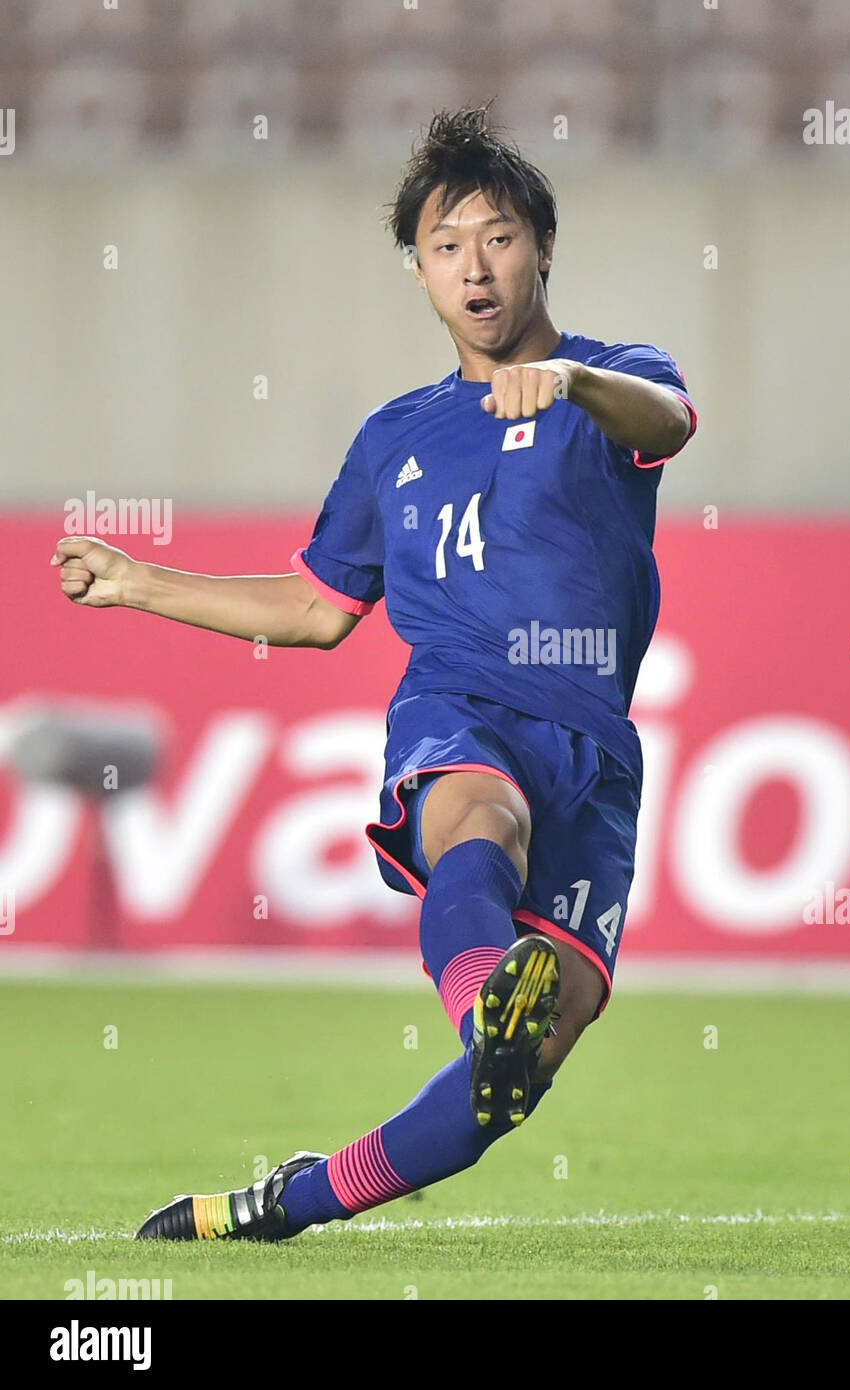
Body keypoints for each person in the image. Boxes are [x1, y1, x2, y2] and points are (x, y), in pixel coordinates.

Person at [52, 102, 698, 1241]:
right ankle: (481, 997)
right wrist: (139, 579)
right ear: (420, 273)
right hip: (460, 708)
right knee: (476, 821)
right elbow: (313, 605)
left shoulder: (612, 378)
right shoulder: (393, 437)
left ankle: (281, 1201)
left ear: (543, 246)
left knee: (505, 1096)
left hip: (595, 751)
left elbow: (672, 421)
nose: (475, 267)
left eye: (497, 237)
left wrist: (569, 388)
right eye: (446, 246)